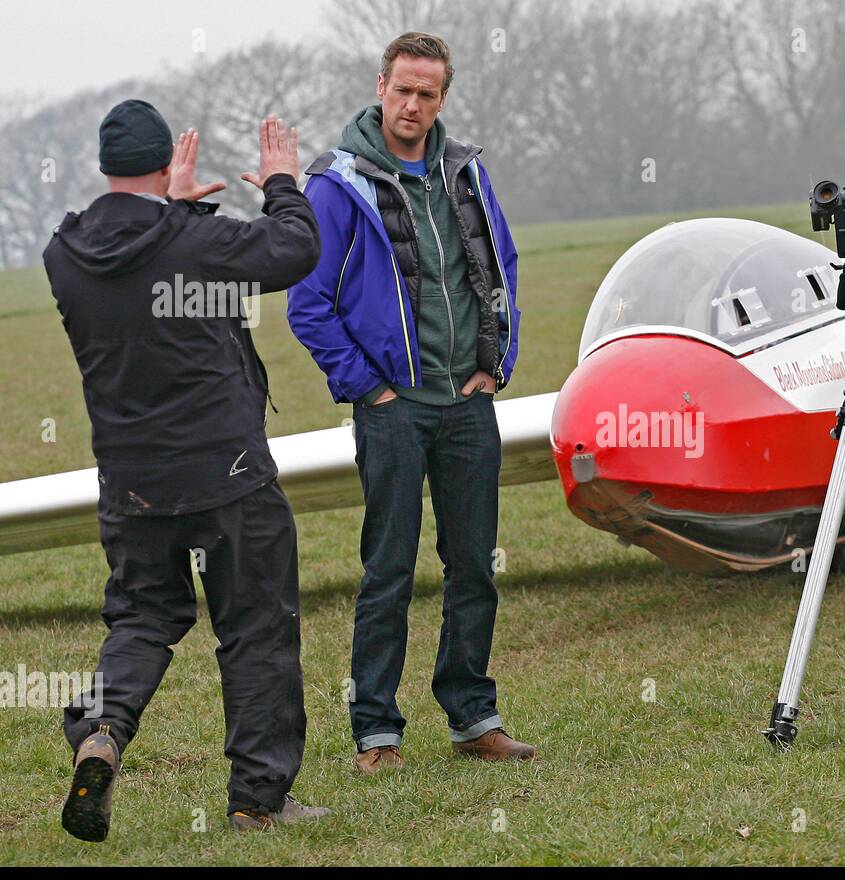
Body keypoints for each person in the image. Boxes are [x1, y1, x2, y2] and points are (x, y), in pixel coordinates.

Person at [43, 100, 328, 839]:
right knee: (257, 628)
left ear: (106, 169)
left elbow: (142, 267)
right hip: (227, 474)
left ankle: (103, 729)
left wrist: (175, 215)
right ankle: (256, 801)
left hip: (131, 482)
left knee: (141, 618)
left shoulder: (64, 254)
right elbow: (295, 248)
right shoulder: (196, 244)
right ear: (168, 163)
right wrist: (281, 181)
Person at [286, 32, 531, 772]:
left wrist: (496, 363)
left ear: (443, 98)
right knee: (387, 569)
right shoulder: (335, 183)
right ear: (380, 86)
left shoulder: (467, 173)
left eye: (427, 94)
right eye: (402, 90)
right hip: (393, 408)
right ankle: (377, 732)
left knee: (475, 566)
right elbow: (308, 302)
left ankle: (473, 716)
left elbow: (502, 270)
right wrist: (370, 387)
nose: (412, 106)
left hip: (468, 404)